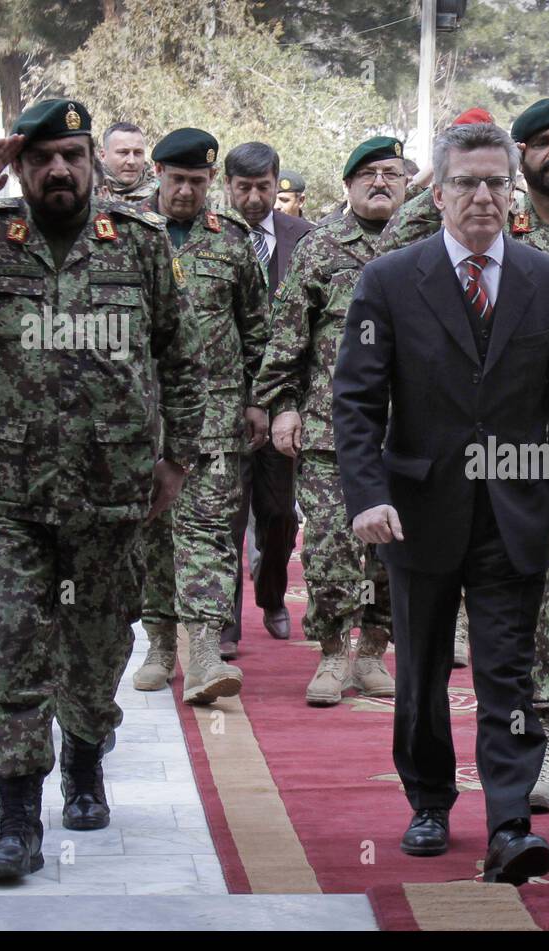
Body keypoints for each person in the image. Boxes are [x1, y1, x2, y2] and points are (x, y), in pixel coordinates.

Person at [0, 98, 204, 879]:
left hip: (112, 489)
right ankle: (16, 815)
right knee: (16, 637)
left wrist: (179, 458)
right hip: (9, 493)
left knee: (97, 645)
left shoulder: (136, 245)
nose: (57, 170)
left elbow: (181, 356)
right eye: (40, 159)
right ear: (19, 167)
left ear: (92, 163)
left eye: (72, 155)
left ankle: (86, 755)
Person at [332, 121, 549, 882]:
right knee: (418, 672)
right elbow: (355, 399)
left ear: (511, 191)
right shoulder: (389, 280)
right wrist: (365, 496)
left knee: (506, 673)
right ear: (437, 192)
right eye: (466, 183)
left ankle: (510, 821)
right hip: (417, 509)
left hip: (516, 510)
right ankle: (428, 797)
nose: (482, 196)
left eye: (494, 182)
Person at [254, 136, 406, 705]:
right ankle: (333, 653)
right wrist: (282, 404)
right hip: (330, 429)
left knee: (394, 547)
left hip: (408, 431)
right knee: (329, 546)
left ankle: (372, 652)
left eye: (391, 173)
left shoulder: (426, 246)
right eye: (367, 174)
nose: (380, 183)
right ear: (347, 185)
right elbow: (287, 335)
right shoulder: (319, 248)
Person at [128, 128, 270, 705]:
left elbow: (257, 327)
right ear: (157, 173)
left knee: (209, 535)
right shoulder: (125, 233)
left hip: (217, 417)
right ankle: (160, 645)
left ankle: (207, 650)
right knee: (152, 532)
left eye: (198, 180)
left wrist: (262, 399)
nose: (186, 190)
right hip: (141, 419)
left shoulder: (230, 241)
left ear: (213, 181)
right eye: (177, 178)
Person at [220, 142, 310, 652]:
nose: (254, 197)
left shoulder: (305, 238)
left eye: (264, 187)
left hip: (283, 401)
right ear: (227, 186)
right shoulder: (213, 236)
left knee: (278, 514)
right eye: (243, 187)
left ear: (278, 184)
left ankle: (273, 597)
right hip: (226, 401)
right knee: (226, 515)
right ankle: (225, 623)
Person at [97, 121, 157, 204]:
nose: (131, 161)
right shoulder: (86, 189)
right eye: (123, 152)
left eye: (138, 153)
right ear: (103, 155)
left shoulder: (160, 195)